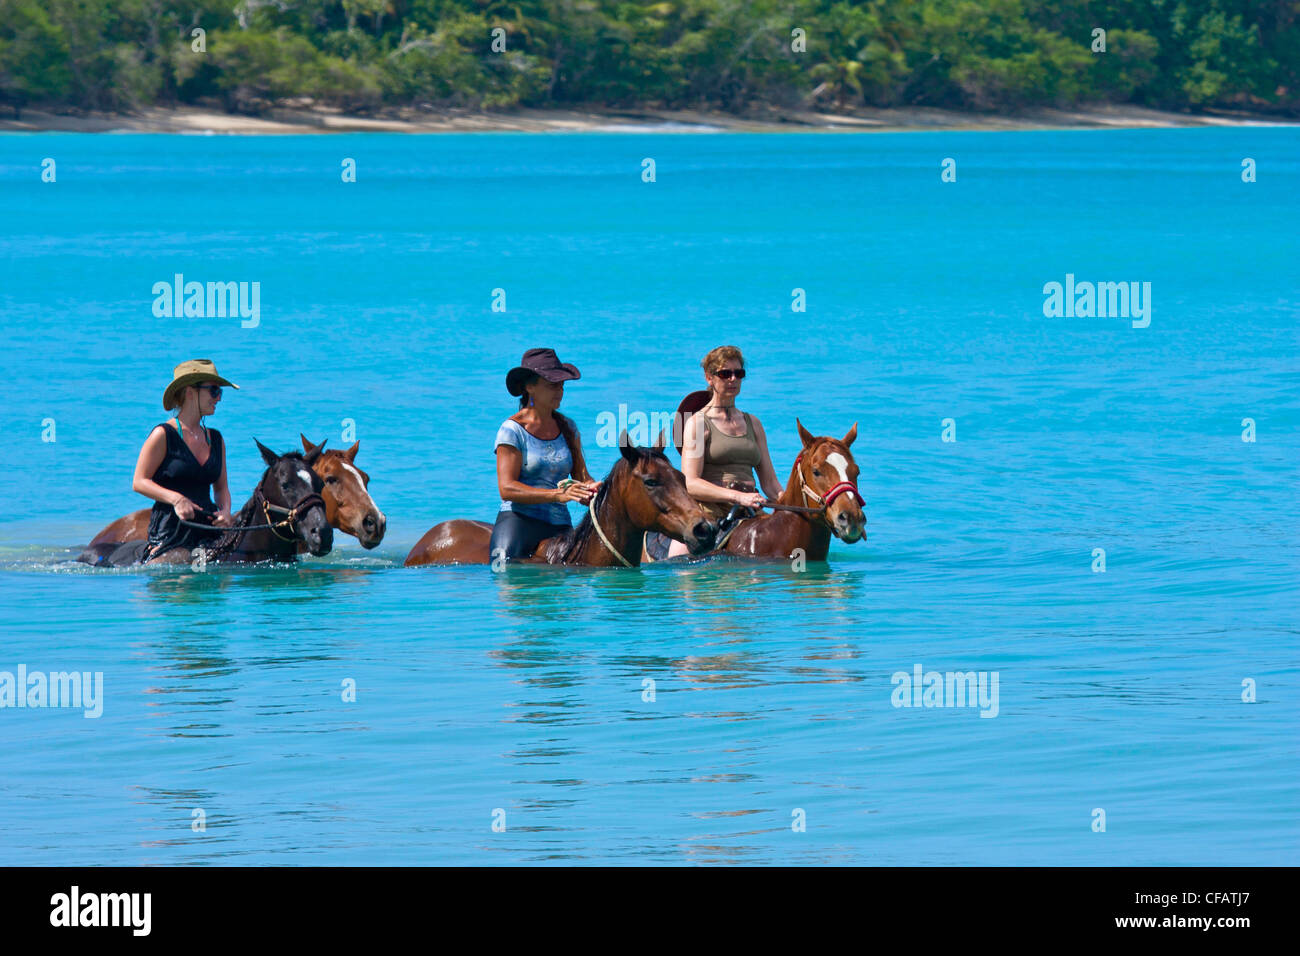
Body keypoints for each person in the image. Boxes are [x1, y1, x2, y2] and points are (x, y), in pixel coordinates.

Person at [667, 346, 782, 557]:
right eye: (724, 374)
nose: (732, 379)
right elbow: (690, 483)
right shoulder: (698, 424)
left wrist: (789, 503)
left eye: (739, 374)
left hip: (750, 511)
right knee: (679, 562)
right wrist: (738, 497)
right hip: (709, 512)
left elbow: (770, 484)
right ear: (709, 377)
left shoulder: (753, 423)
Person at [490, 348, 600, 562]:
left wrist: (594, 489)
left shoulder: (568, 427)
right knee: (503, 569)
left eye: (562, 385)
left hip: (560, 525)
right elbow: (506, 488)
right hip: (519, 521)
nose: (560, 391)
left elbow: (582, 478)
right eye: (552, 385)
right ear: (529, 387)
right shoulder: (511, 431)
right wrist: (557, 495)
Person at [130, 359, 238, 563]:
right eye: (214, 391)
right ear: (190, 392)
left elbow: (221, 488)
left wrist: (225, 511)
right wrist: (176, 499)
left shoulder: (216, 438)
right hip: (172, 531)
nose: (219, 398)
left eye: (220, 393)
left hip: (208, 530)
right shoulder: (163, 435)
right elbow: (139, 481)